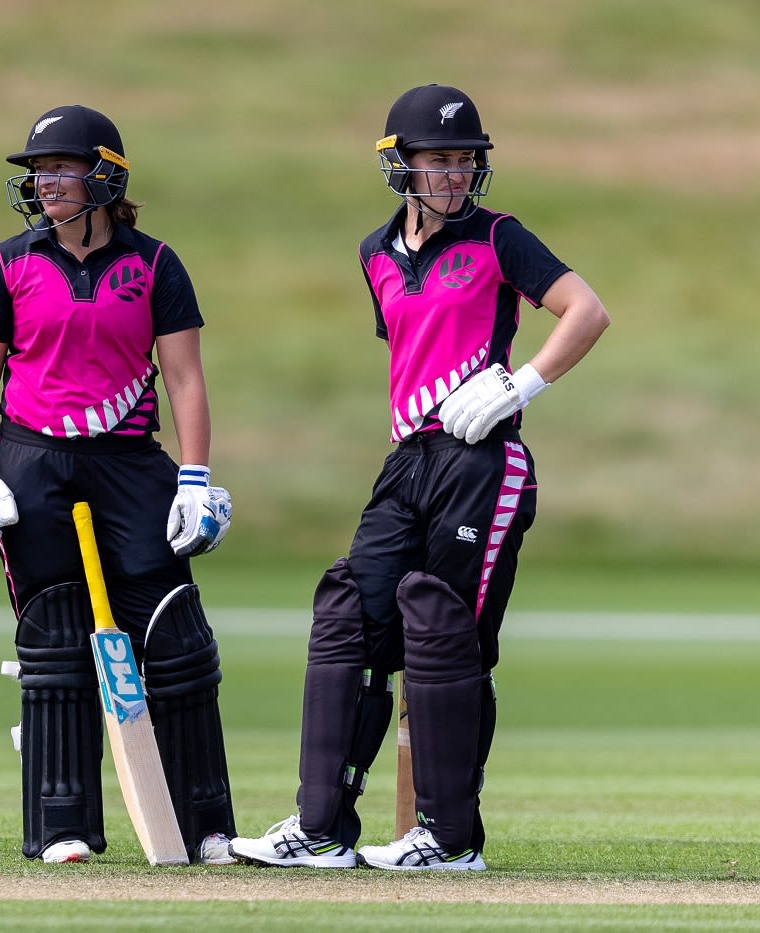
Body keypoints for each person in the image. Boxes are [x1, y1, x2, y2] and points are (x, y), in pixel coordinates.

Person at [230, 84, 609, 871]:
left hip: (482, 456)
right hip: (407, 459)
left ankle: (449, 837)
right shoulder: (375, 254)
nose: (455, 175)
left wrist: (518, 384)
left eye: (466, 160)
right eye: (438, 161)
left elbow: (586, 311)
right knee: (349, 613)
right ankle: (321, 824)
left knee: (445, 633)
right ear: (399, 165)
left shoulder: (501, 238)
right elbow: (410, 350)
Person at [0, 104, 238, 865]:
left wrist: (196, 478)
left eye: (61, 171)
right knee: (57, 638)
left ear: (105, 176)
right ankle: (62, 823)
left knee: (172, 638)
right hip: (32, 462)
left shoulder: (155, 264)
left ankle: (202, 825)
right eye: (38, 174)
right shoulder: (8, 263)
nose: (45, 185)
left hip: (132, 465)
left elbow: (184, 378)